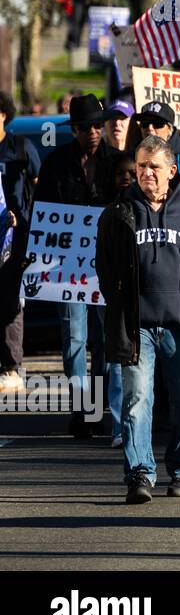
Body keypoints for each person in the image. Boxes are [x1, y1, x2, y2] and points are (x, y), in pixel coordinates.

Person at [96, 136, 180, 503]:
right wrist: (119, 299)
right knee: (136, 399)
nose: (145, 173)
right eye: (140, 166)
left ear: (172, 170)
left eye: (153, 166)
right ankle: (140, 474)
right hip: (137, 327)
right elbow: (105, 266)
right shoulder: (119, 211)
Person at [34, 93, 119, 439]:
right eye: (87, 127)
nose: (94, 132)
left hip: (106, 265)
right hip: (67, 267)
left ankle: (97, 407)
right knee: (73, 338)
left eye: (98, 126)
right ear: (75, 129)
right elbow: (43, 214)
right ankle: (83, 409)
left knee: (105, 342)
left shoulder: (117, 162)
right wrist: (38, 257)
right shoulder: (56, 163)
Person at [0, 91, 40, 395]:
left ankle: (11, 366)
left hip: (15, 239)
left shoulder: (20, 147)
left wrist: (25, 219)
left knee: (10, 301)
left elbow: (40, 187)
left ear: (3, 115)